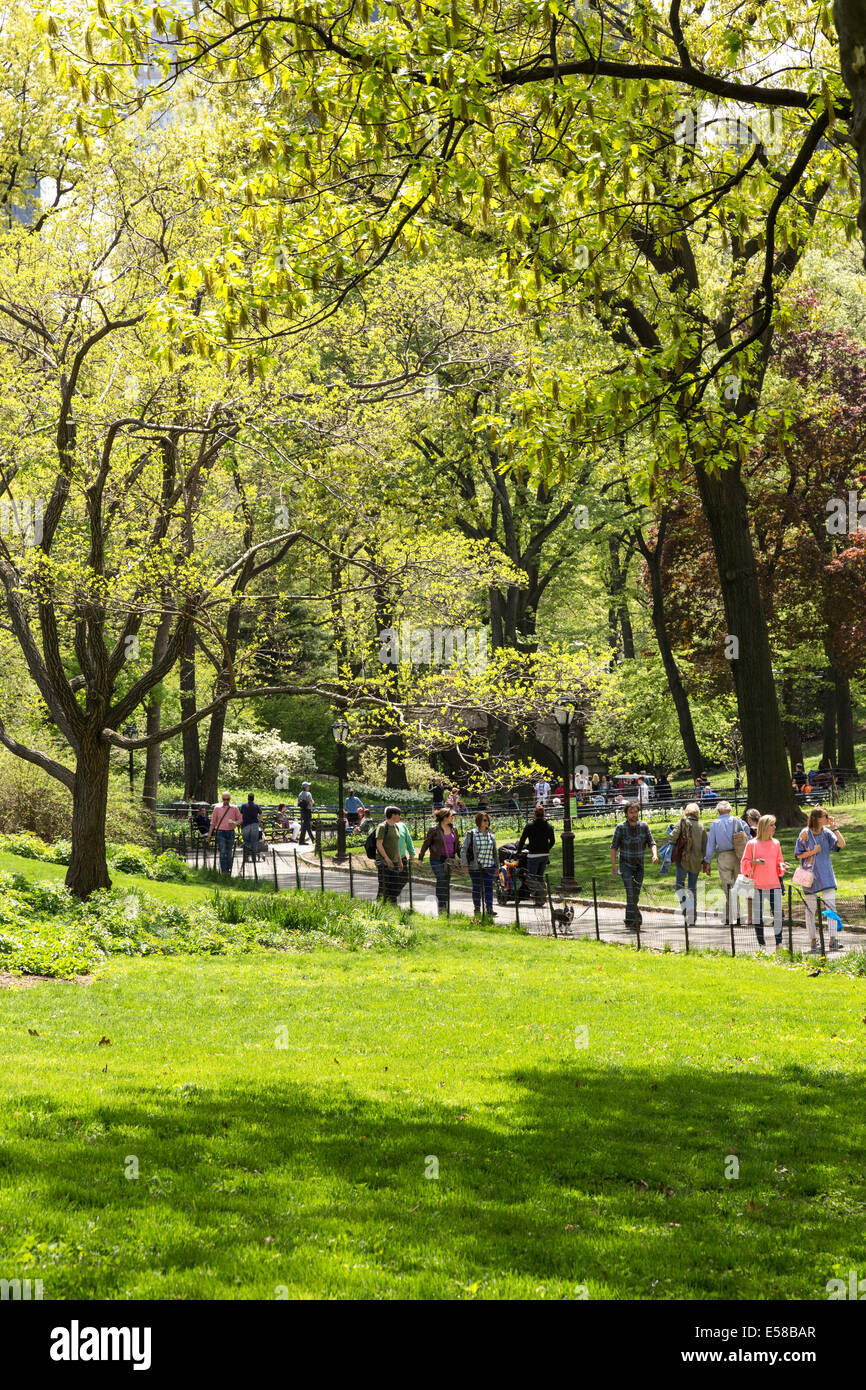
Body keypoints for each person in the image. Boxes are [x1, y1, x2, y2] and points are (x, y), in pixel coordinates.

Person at [795, 807, 846, 953]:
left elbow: (841, 844)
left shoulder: (827, 832)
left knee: (831, 908)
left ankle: (833, 939)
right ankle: (812, 941)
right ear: (817, 818)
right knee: (810, 910)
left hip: (826, 875)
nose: (827, 817)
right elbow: (798, 855)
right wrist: (812, 851)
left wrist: (834, 827)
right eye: (825, 816)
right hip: (811, 877)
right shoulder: (805, 833)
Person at [740, 814, 787, 950]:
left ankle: (779, 943)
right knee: (758, 917)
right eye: (772, 825)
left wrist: (783, 867)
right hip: (757, 886)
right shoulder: (752, 844)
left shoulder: (776, 843)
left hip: (774, 885)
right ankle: (762, 945)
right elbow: (744, 864)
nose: (774, 827)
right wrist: (755, 862)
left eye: (774, 824)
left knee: (777, 915)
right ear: (764, 827)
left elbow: (780, 862)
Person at [610, 801, 657, 928]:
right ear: (626, 814)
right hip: (625, 865)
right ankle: (637, 919)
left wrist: (655, 855)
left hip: (639, 866)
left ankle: (628, 919)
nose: (634, 814)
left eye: (636, 812)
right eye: (631, 812)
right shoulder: (621, 828)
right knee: (630, 893)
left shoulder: (644, 826)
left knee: (635, 895)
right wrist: (614, 867)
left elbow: (652, 843)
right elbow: (613, 848)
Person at [703, 800, 749, 924]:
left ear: (718, 811)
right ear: (729, 810)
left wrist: (707, 861)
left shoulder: (715, 824)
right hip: (739, 855)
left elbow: (710, 845)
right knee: (738, 887)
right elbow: (748, 837)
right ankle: (736, 916)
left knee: (728, 887)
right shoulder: (738, 821)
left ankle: (731, 917)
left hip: (724, 856)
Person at [668, 802, 707, 926]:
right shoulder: (701, 826)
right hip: (695, 862)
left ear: (686, 812)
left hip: (683, 860)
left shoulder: (682, 822)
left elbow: (672, 838)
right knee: (692, 889)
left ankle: (685, 910)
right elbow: (705, 846)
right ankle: (693, 917)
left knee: (679, 886)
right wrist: (705, 861)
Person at [419, 807, 461, 915]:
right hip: (437, 859)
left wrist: (461, 857)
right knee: (441, 879)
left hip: (450, 860)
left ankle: (445, 904)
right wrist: (420, 858)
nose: (452, 817)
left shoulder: (454, 829)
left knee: (446, 882)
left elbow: (457, 845)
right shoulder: (434, 830)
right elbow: (426, 844)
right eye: (451, 816)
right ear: (445, 817)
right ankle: (441, 906)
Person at [461, 811, 498, 918]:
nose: (487, 822)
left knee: (489, 887)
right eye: (484, 820)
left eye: (487, 820)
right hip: (475, 866)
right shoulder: (471, 834)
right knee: (477, 888)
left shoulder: (491, 834)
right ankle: (477, 908)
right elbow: (463, 850)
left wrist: (497, 866)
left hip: (489, 865)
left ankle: (489, 908)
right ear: (479, 821)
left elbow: (495, 852)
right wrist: (465, 865)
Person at [518, 804, 556, 905]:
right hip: (544, 855)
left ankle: (542, 893)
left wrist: (519, 851)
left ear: (534, 814)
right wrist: (546, 849)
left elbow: (522, 840)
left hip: (533, 855)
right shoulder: (548, 826)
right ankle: (540, 899)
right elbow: (552, 841)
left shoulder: (529, 826)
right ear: (544, 814)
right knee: (540, 877)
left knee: (531, 878)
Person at [375, 806, 404, 903]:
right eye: (398, 814)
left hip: (395, 860)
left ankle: (392, 904)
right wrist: (386, 859)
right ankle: (380, 905)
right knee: (384, 885)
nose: (400, 816)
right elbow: (379, 844)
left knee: (395, 885)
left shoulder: (395, 827)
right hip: (383, 861)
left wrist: (400, 861)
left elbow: (396, 845)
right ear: (392, 815)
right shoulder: (382, 827)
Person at [209, 792, 242, 874]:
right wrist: (209, 835)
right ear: (222, 799)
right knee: (223, 851)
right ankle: (224, 871)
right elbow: (213, 822)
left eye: (227, 799)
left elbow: (240, 820)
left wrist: (234, 822)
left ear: (230, 799)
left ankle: (229, 869)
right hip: (220, 832)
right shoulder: (217, 808)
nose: (226, 801)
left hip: (230, 832)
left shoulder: (234, 808)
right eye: (224, 799)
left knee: (229, 852)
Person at [395, 815, 416, 899]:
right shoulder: (384, 827)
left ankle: (393, 896)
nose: (399, 816)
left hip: (403, 857)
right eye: (397, 814)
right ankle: (391, 899)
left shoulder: (402, 826)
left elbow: (408, 840)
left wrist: (412, 853)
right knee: (393, 880)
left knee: (404, 878)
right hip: (391, 858)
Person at [239, 792, 263, 863]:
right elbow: (261, 813)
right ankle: (254, 858)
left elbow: (240, 814)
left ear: (248, 798)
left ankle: (246, 857)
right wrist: (260, 821)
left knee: (246, 841)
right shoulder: (256, 805)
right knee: (254, 842)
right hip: (254, 825)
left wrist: (240, 822)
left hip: (245, 825)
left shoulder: (243, 805)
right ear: (253, 798)